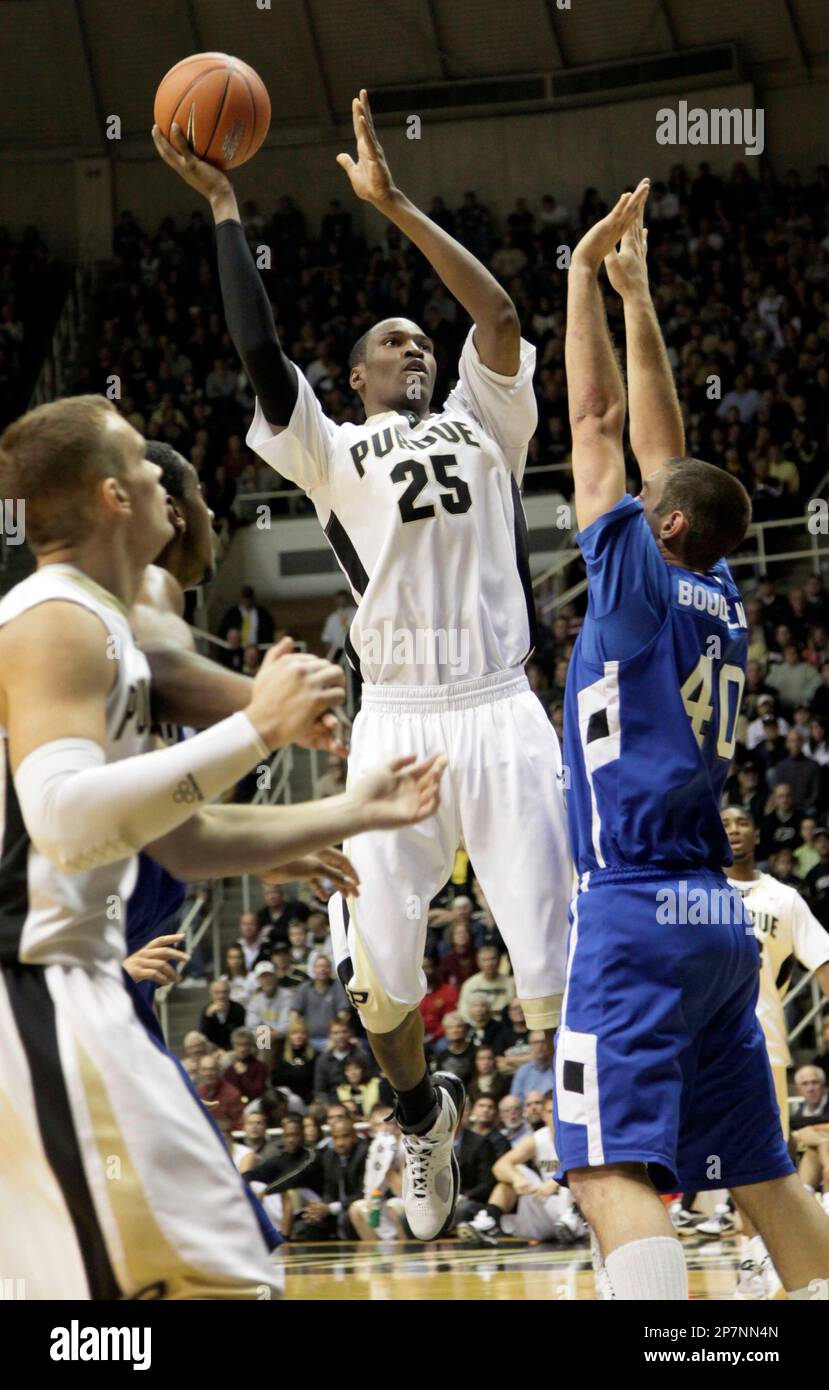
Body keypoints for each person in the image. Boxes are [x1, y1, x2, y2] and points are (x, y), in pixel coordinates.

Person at [152, 90, 572, 1243]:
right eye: (394, 341)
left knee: (551, 981)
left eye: (419, 339)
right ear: (356, 378)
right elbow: (256, 346)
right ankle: (416, 1108)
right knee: (381, 985)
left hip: (502, 704)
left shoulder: (490, 421)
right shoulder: (331, 449)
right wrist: (229, 206)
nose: (417, 344)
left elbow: (491, 308)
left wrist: (392, 204)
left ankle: (606, 1178)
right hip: (397, 721)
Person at [0, 395, 447, 1298]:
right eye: (141, 457)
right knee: (209, 1279)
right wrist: (258, 727)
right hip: (32, 992)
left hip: (64, 989)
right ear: (113, 496)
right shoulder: (54, 617)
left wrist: (352, 811)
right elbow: (63, 819)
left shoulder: (99, 622)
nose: (163, 469)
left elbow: (186, 840)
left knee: (180, 1287)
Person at [556, 179, 829, 1302]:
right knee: (761, 1174)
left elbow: (601, 425)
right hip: (716, 923)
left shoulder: (630, 593)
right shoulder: (716, 586)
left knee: (607, 1166)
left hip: (633, 911)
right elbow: (661, 442)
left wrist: (579, 277)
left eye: (650, 499)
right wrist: (640, 293)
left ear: (658, 524)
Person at [721, 806, 829, 1296]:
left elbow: (822, 959)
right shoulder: (694, 893)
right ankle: (751, 1255)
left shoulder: (783, 899)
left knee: (766, 1160)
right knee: (723, 1160)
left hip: (764, 1044)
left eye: (742, 823)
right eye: (724, 824)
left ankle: (759, 1260)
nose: (734, 831)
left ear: (758, 833)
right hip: (703, 1046)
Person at [200, 978, 246, 1051]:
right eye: (217, 993)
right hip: (213, 1050)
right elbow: (204, 1036)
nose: (221, 996)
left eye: (224, 992)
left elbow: (240, 1033)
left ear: (229, 993)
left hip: (234, 1049)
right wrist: (208, 1017)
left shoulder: (238, 1009)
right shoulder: (207, 1010)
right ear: (211, 994)